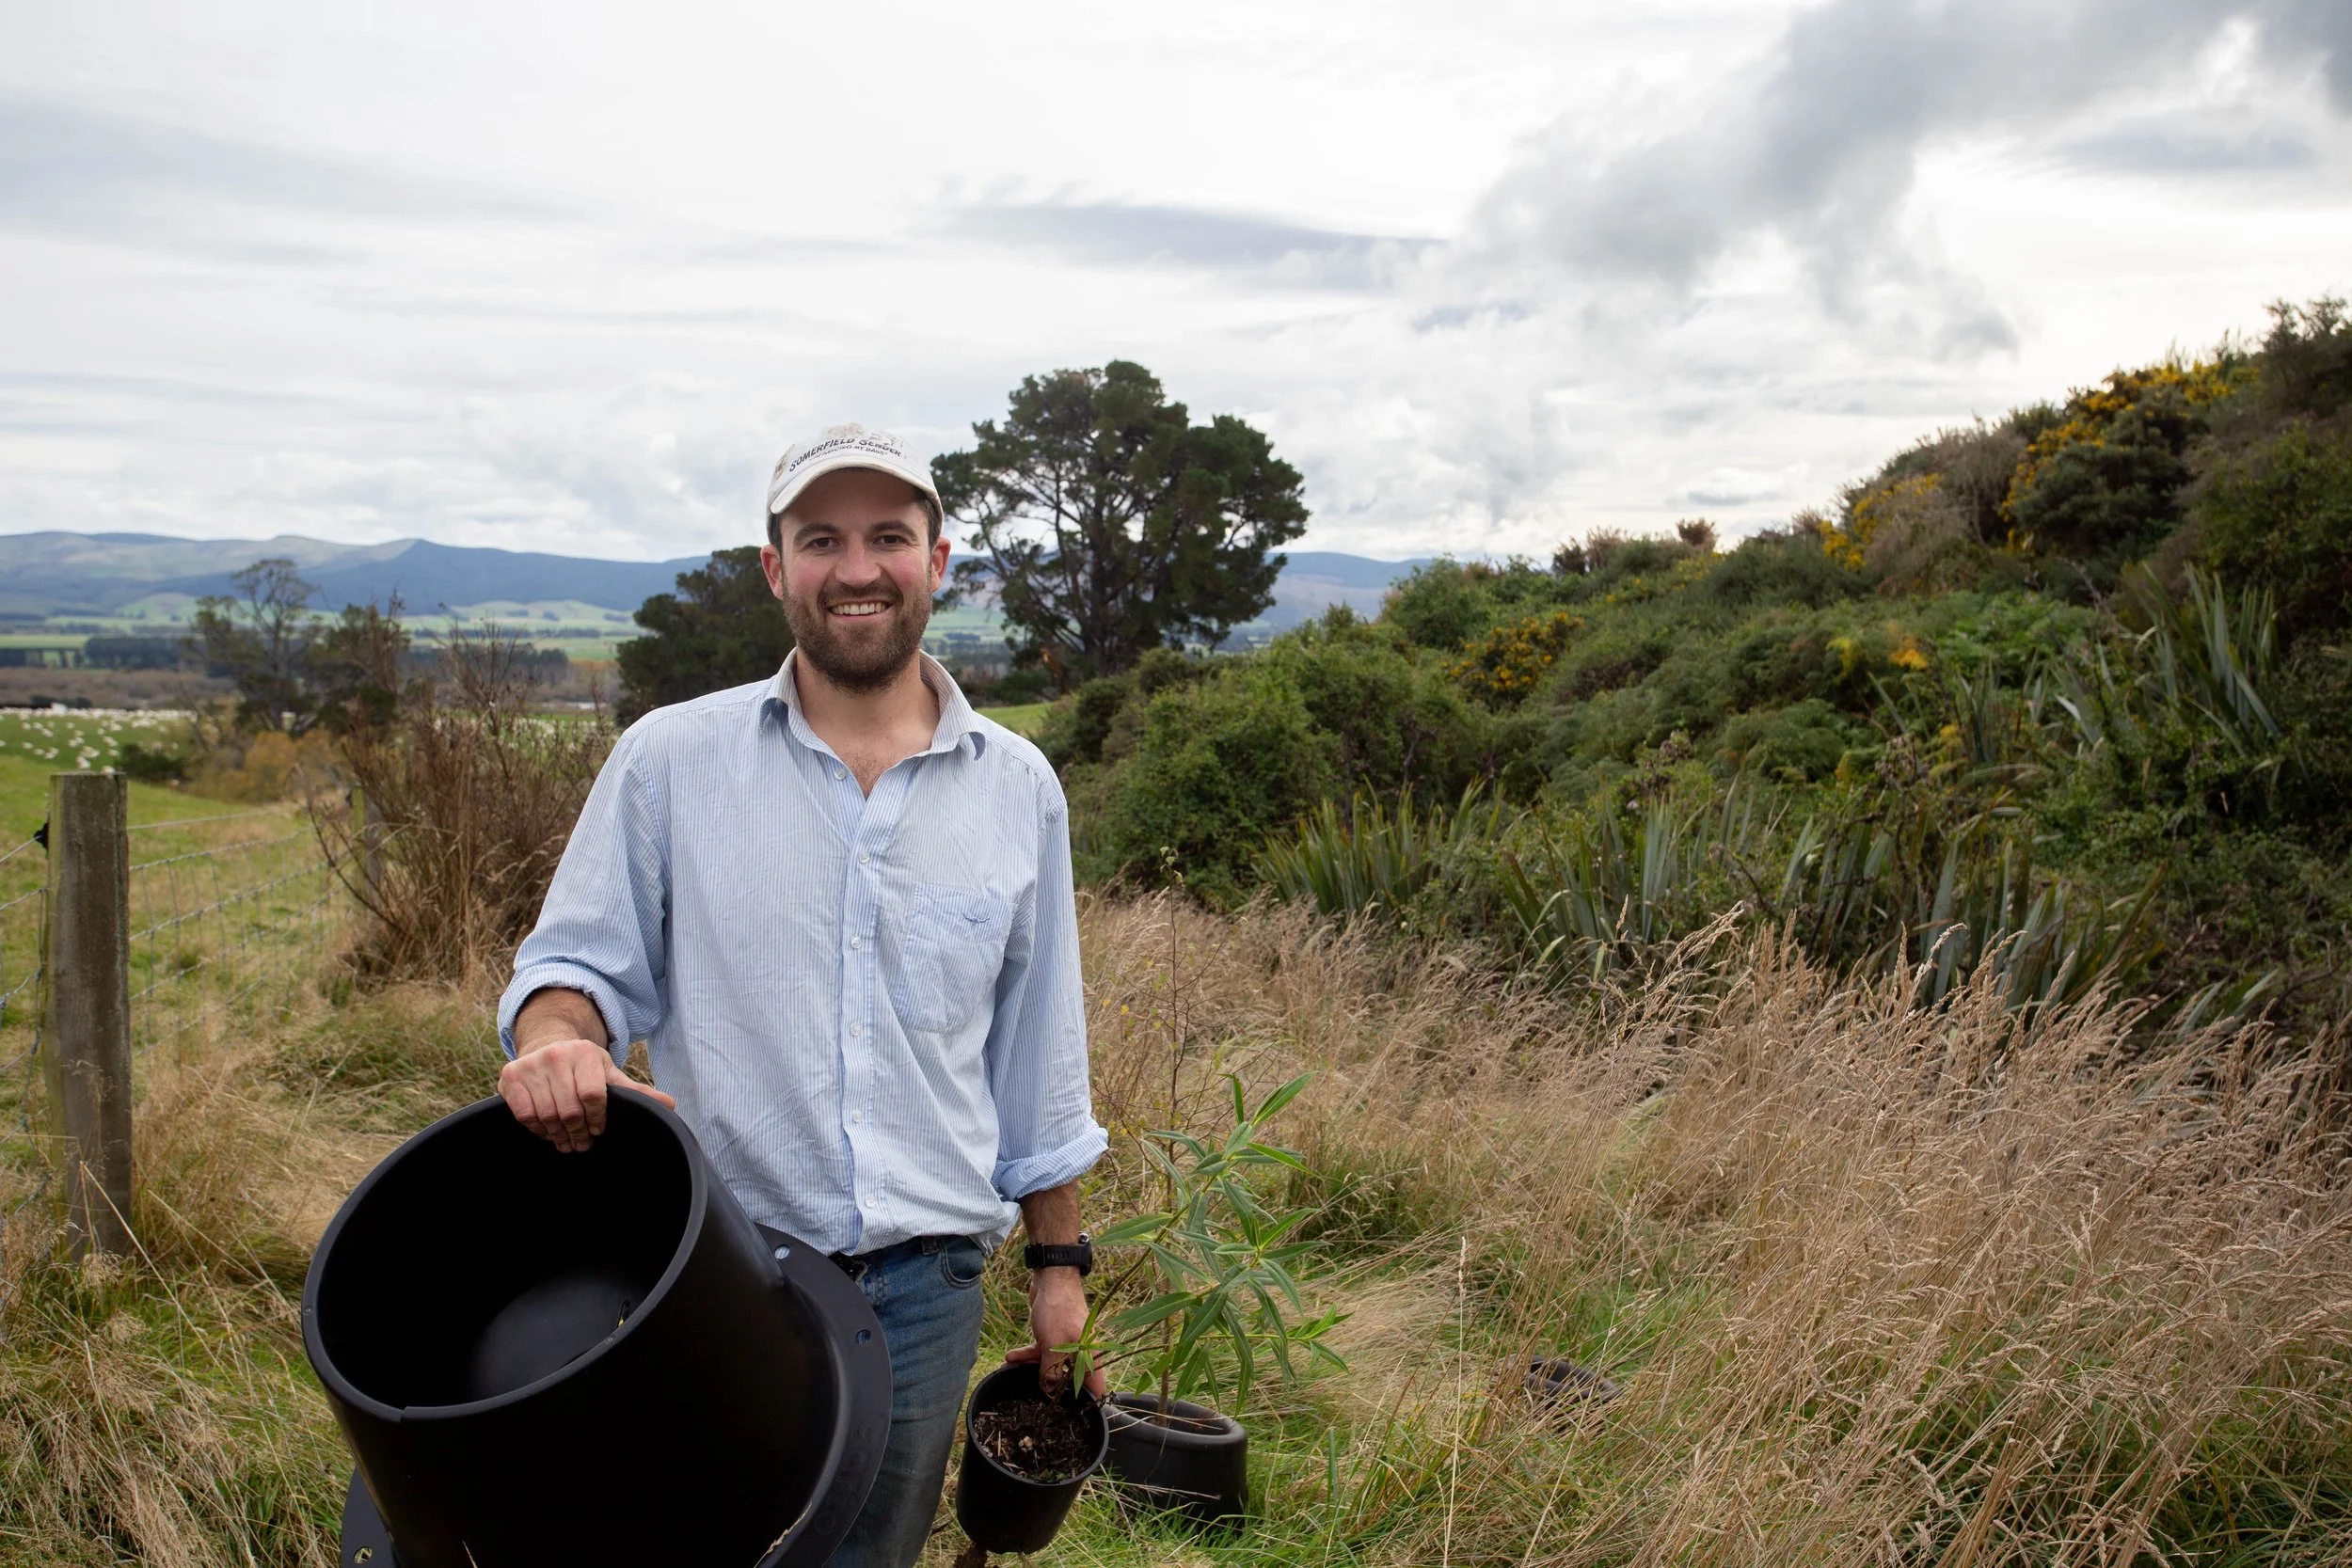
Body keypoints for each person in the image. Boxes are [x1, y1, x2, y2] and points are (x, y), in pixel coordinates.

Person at [494, 423, 1106, 1568]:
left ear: (938, 560)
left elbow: (1037, 1060)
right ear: (776, 568)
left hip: (930, 1291)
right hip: (720, 1272)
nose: (858, 567)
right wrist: (556, 1046)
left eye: (889, 535)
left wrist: (1058, 1270)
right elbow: (570, 974)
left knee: (864, 1554)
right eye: (820, 538)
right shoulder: (670, 761)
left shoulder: (1018, 787)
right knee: (694, 1543)